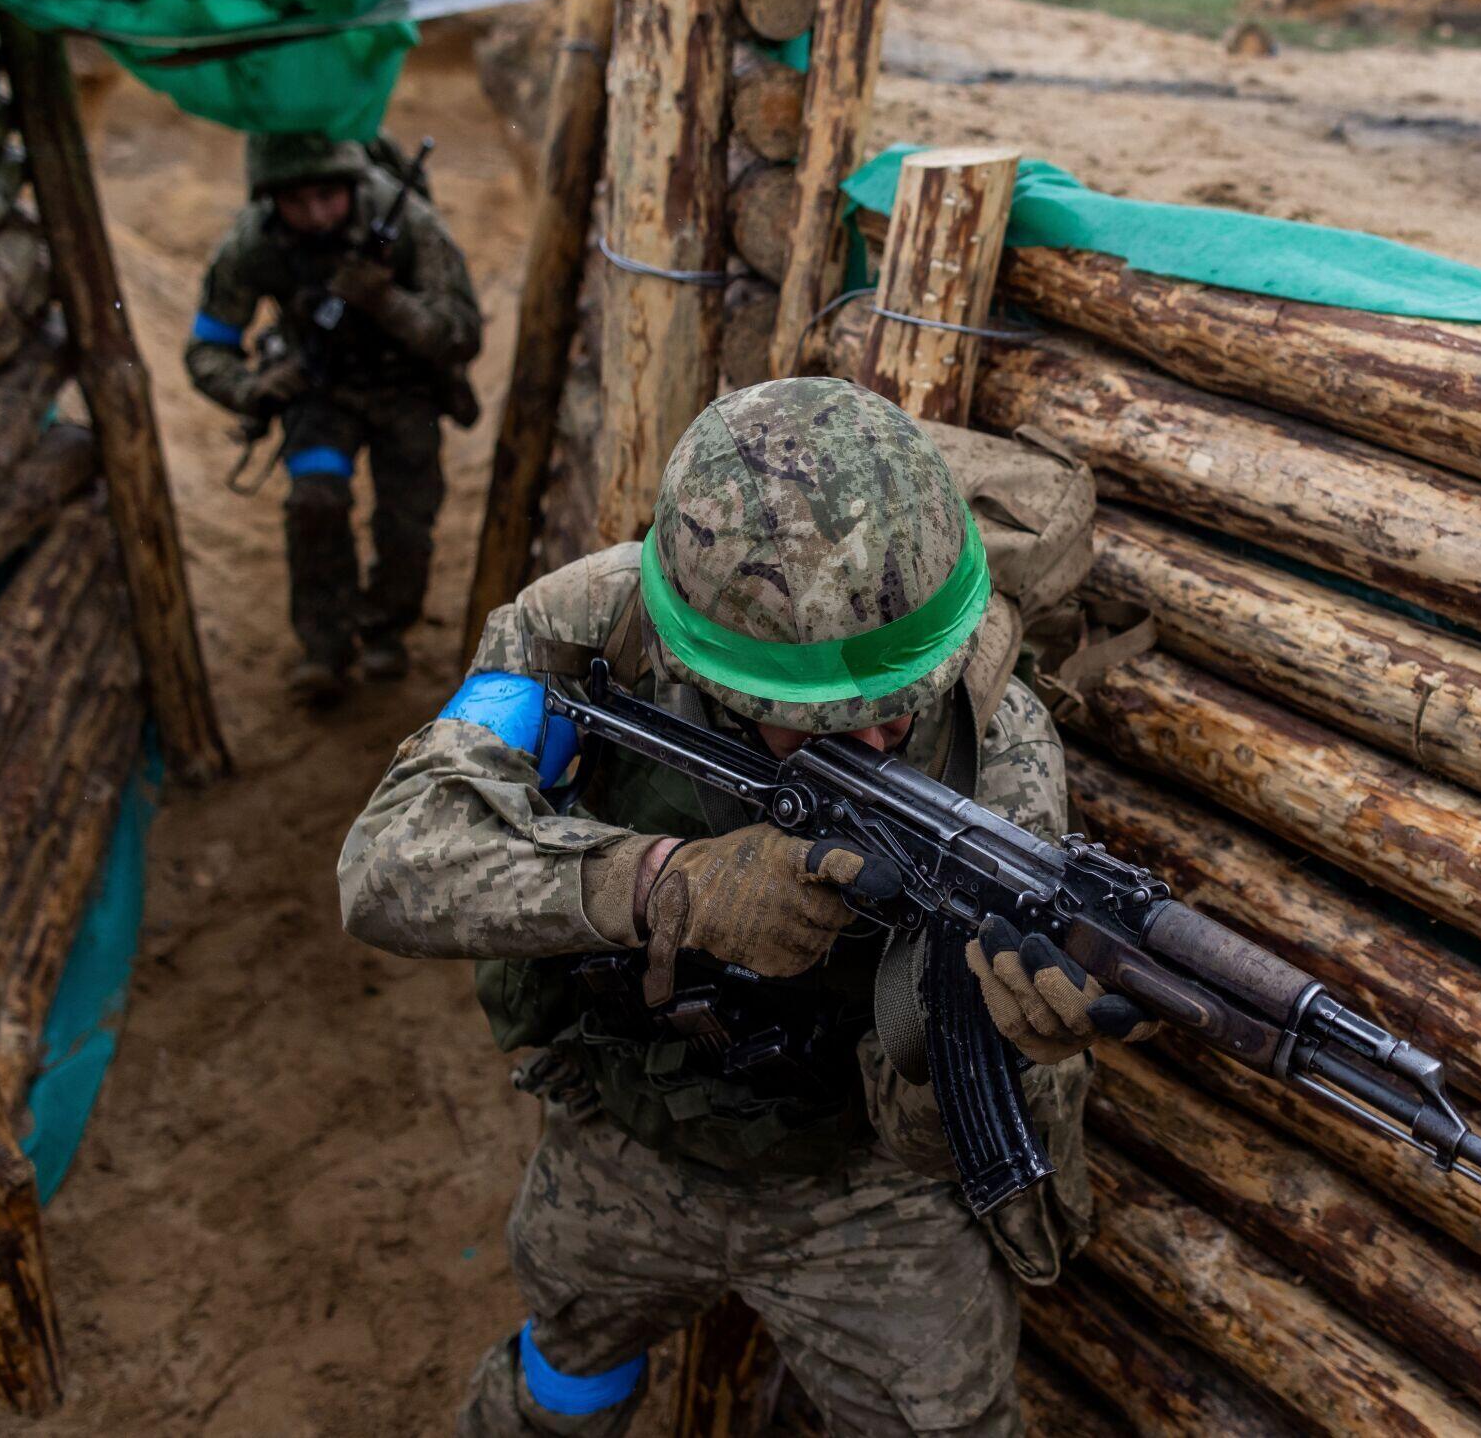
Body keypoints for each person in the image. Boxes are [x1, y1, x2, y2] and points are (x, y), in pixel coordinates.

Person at [339, 379, 1144, 1436]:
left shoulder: (998, 746)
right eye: (809, 717)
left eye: (892, 707)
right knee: (563, 1370)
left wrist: (986, 1041)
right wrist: (664, 883)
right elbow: (387, 865)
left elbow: (930, 1142)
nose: (870, 745)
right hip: (629, 1137)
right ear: (705, 667)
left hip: (854, 1187)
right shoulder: (590, 629)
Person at [187, 132, 483, 704]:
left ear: (351, 185)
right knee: (314, 503)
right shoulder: (254, 242)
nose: (315, 214)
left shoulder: (410, 222)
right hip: (321, 393)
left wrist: (386, 302)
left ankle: (385, 629)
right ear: (271, 200)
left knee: (406, 522)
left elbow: (461, 333)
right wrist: (252, 388)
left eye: (328, 195)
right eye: (296, 201)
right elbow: (206, 349)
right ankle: (324, 647)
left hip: (408, 390)